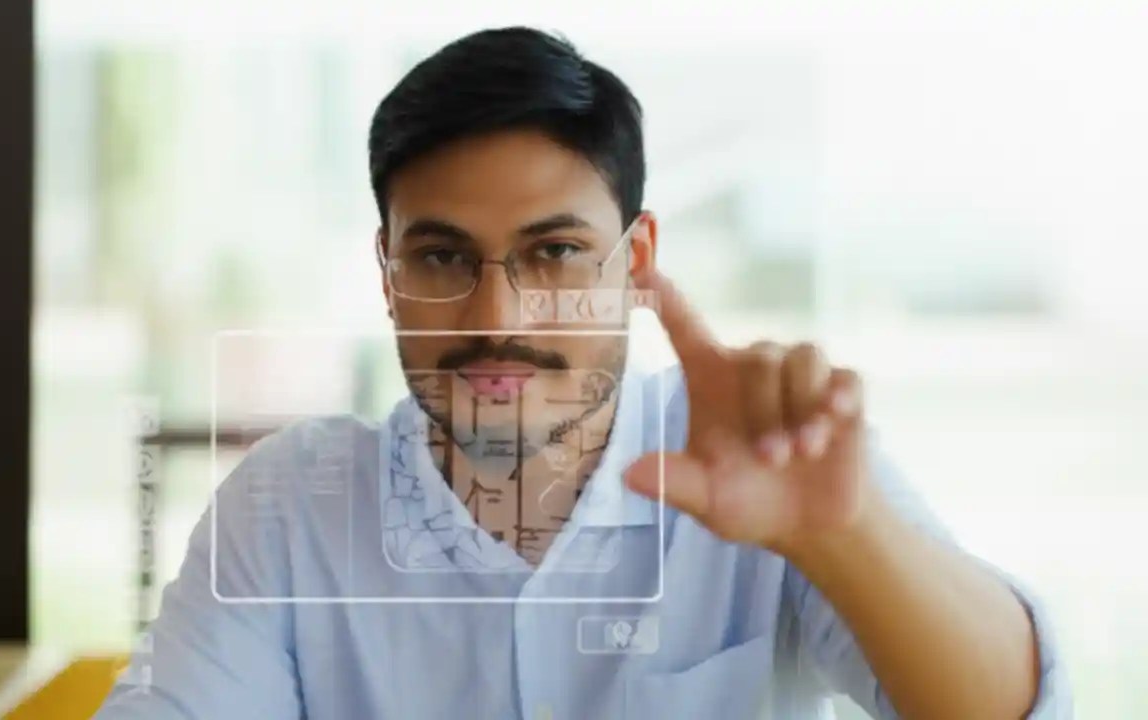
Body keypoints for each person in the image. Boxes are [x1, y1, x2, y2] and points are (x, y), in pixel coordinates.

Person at [95, 27, 1070, 719]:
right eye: (440, 257)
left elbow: (1016, 710)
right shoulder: (290, 508)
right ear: (387, 275)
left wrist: (839, 534)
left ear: (634, 263)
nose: (496, 320)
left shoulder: (764, 458)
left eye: (553, 252)